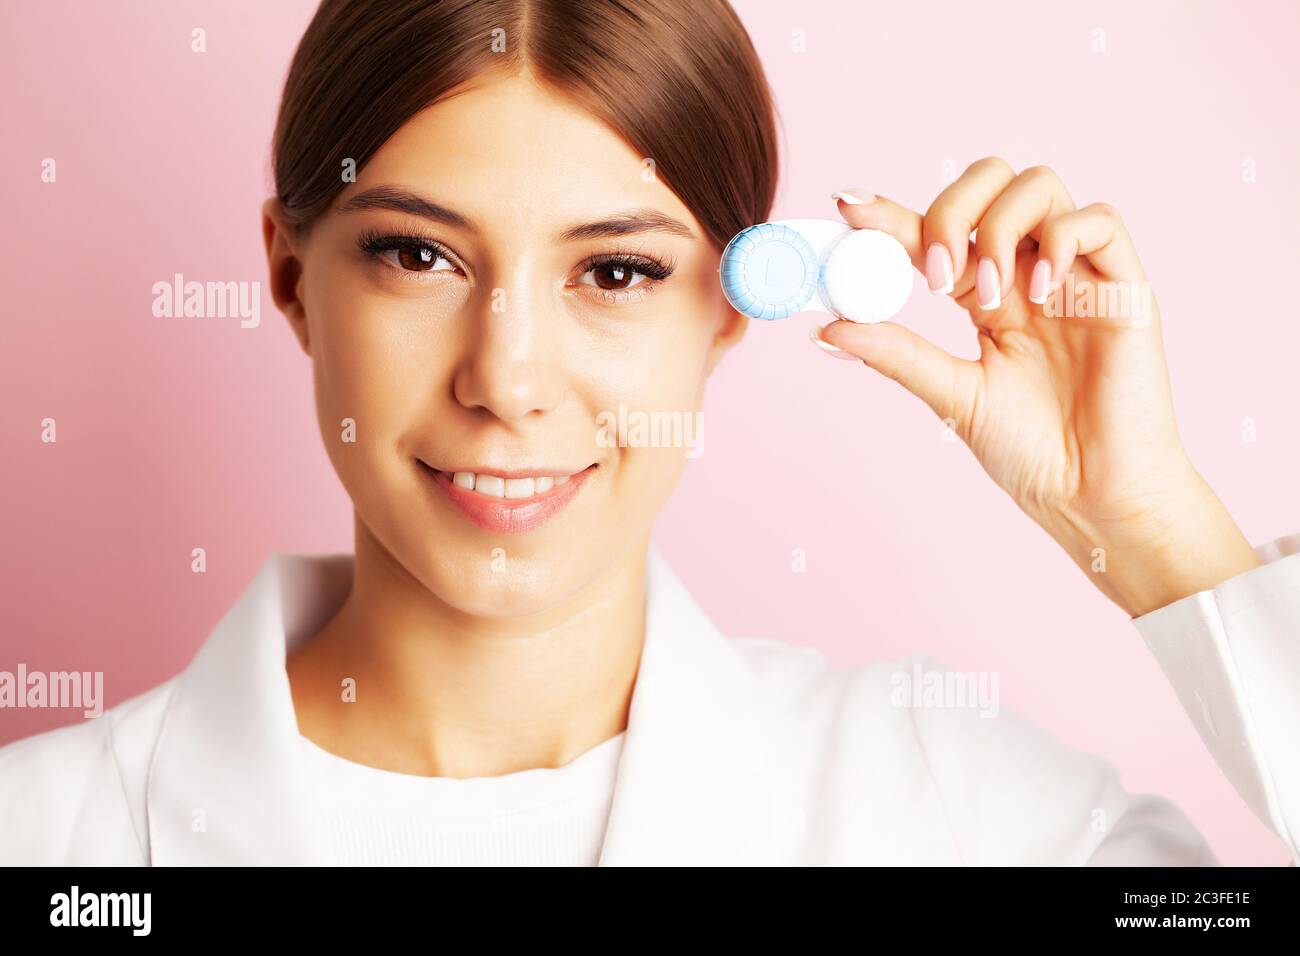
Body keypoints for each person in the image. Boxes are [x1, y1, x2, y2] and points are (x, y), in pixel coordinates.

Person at [2, 0, 1297, 866]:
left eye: (615, 272)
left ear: (735, 301)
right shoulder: (49, 838)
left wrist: (1153, 533)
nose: (507, 380)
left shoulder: (967, 820)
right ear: (290, 277)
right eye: (417, 254)